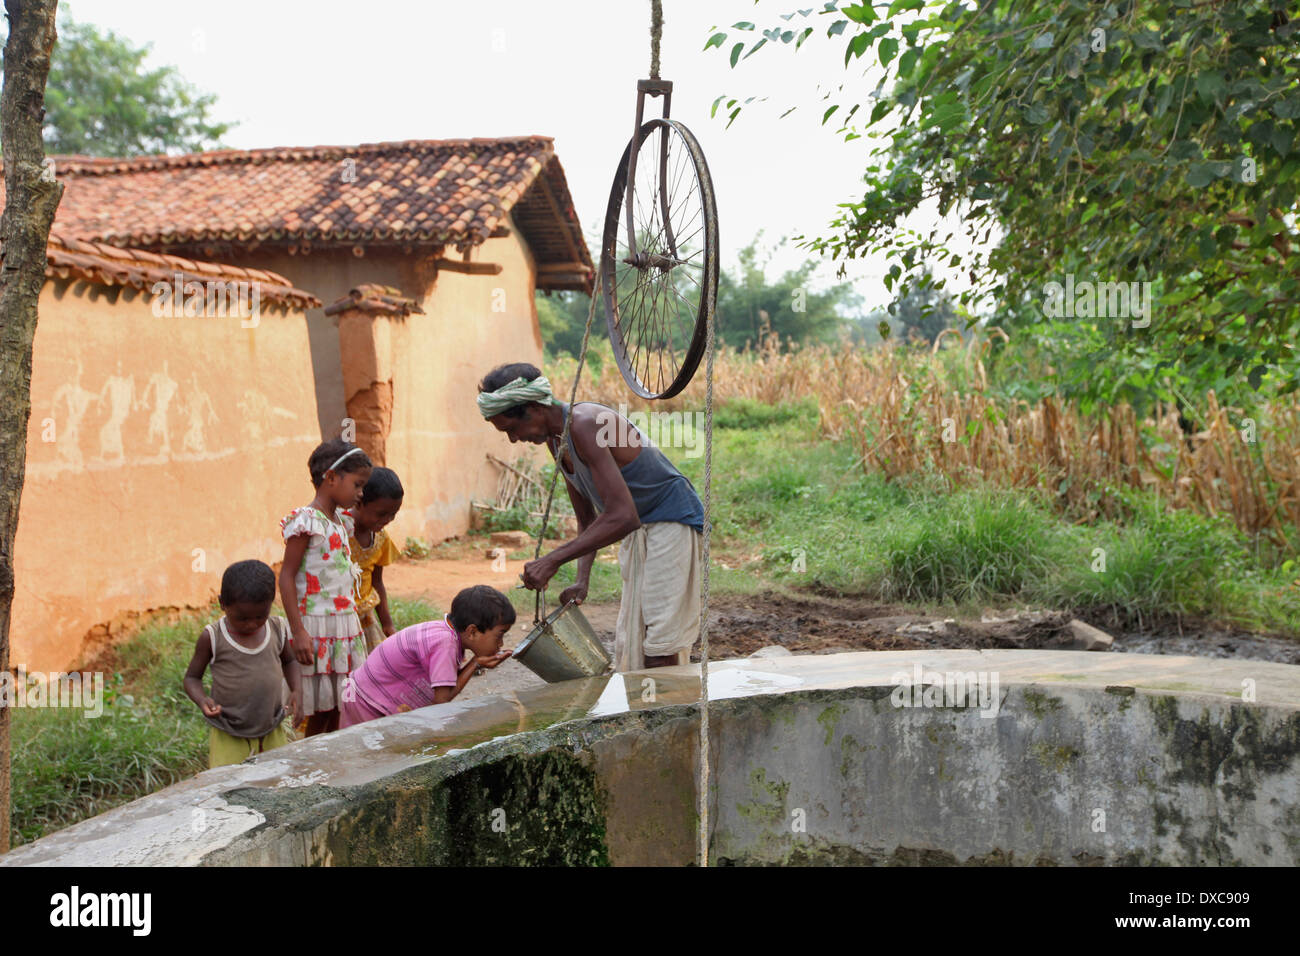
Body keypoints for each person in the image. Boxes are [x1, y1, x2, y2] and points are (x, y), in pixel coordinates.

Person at [476, 362, 705, 672]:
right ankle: (653, 710)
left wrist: (552, 560)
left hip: (672, 519)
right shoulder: (555, 441)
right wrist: (582, 580)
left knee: (659, 641)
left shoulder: (585, 424)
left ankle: (665, 716)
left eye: (511, 429)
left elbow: (623, 516)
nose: (514, 440)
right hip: (643, 529)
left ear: (532, 408)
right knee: (636, 640)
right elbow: (588, 520)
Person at [279, 438, 371, 736]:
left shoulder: (341, 521)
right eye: (357, 485)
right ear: (331, 478)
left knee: (338, 705)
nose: (360, 494)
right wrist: (298, 631)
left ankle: (331, 768)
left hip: (343, 625)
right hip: (316, 628)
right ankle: (313, 768)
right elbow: (287, 576)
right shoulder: (307, 522)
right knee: (318, 712)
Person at [339, 585, 515, 728]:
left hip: (362, 694)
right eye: (499, 635)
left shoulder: (444, 631)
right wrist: (475, 664)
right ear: (472, 631)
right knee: (369, 761)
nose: (500, 644)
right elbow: (441, 701)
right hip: (369, 704)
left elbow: (445, 686)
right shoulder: (445, 644)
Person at [183, 560, 302, 768]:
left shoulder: (277, 629)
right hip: (229, 731)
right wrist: (203, 700)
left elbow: (290, 661)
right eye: (242, 618)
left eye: (260, 616)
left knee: (275, 778)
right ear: (222, 604)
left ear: (271, 604)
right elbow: (192, 678)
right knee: (229, 785)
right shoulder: (212, 637)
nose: (251, 624)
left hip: (271, 725)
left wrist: (296, 690)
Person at [348, 466, 404, 653]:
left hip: (366, 619)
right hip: (339, 619)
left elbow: (377, 582)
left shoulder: (381, 539)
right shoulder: (337, 532)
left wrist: (387, 623)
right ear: (359, 502)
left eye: (393, 514)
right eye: (381, 514)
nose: (388, 520)